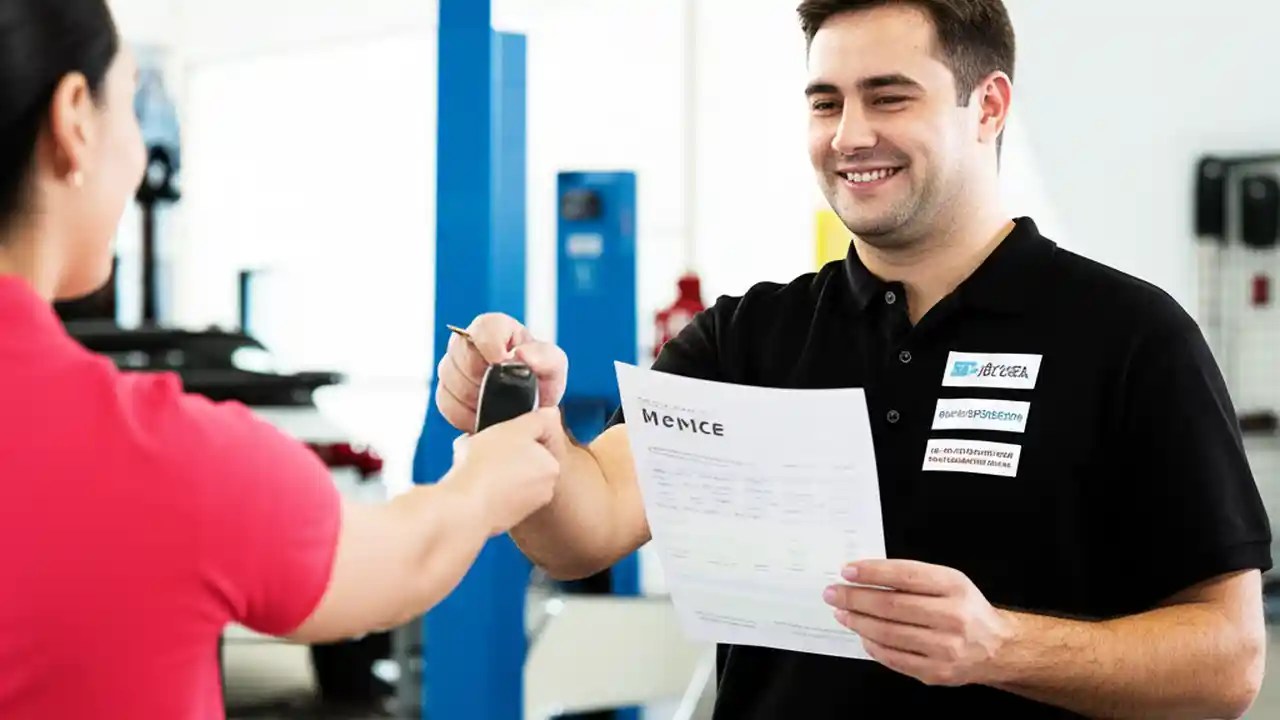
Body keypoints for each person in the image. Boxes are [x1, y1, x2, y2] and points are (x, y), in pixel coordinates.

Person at [438, 1, 1274, 718]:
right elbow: (584, 532)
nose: (850, 135)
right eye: (825, 102)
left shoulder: (1129, 337)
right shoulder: (745, 340)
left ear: (987, 107)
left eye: (888, 97)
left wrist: (1000, 646)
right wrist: (527, 424)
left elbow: (1229, 663)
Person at [0, 1, 564, 717]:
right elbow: (401, 556)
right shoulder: (160, 457)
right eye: (130, 103)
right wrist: (483, 482)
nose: (140, 154)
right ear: (75, 118)